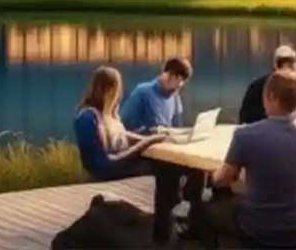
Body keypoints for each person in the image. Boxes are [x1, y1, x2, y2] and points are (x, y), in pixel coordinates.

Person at [207, 69, 296, 248]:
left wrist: (211, 178)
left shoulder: (245, 135)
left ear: (271, 97)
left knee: (212, 207)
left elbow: (223, 178)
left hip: (258, 229)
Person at [73, 66, 205, 244]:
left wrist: (149, 138)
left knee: (184, 166)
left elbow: (124, 135)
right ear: (108, 89)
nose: (119, 94)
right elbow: (105, 162)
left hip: (122, 160)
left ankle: (187, 214)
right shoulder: (88, 118)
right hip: (108, 168)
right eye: (116, 90)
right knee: (165, 170)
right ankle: (163, 229)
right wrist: (146, 144)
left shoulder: (110, 111)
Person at [238, 45, 296, 124]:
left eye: (291, 62)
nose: (287, 66)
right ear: (275, 65)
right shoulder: (259, 86)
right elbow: (246, 116)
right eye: (283, 62)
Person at [120, 57, 192, 134]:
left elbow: (176, 128)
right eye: (177, 79)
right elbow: (123, 123)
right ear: (166, 75)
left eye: (182, 82)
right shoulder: (143, 92)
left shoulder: (175, 98)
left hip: (166, 143)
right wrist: (147, 132)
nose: (180, 85)